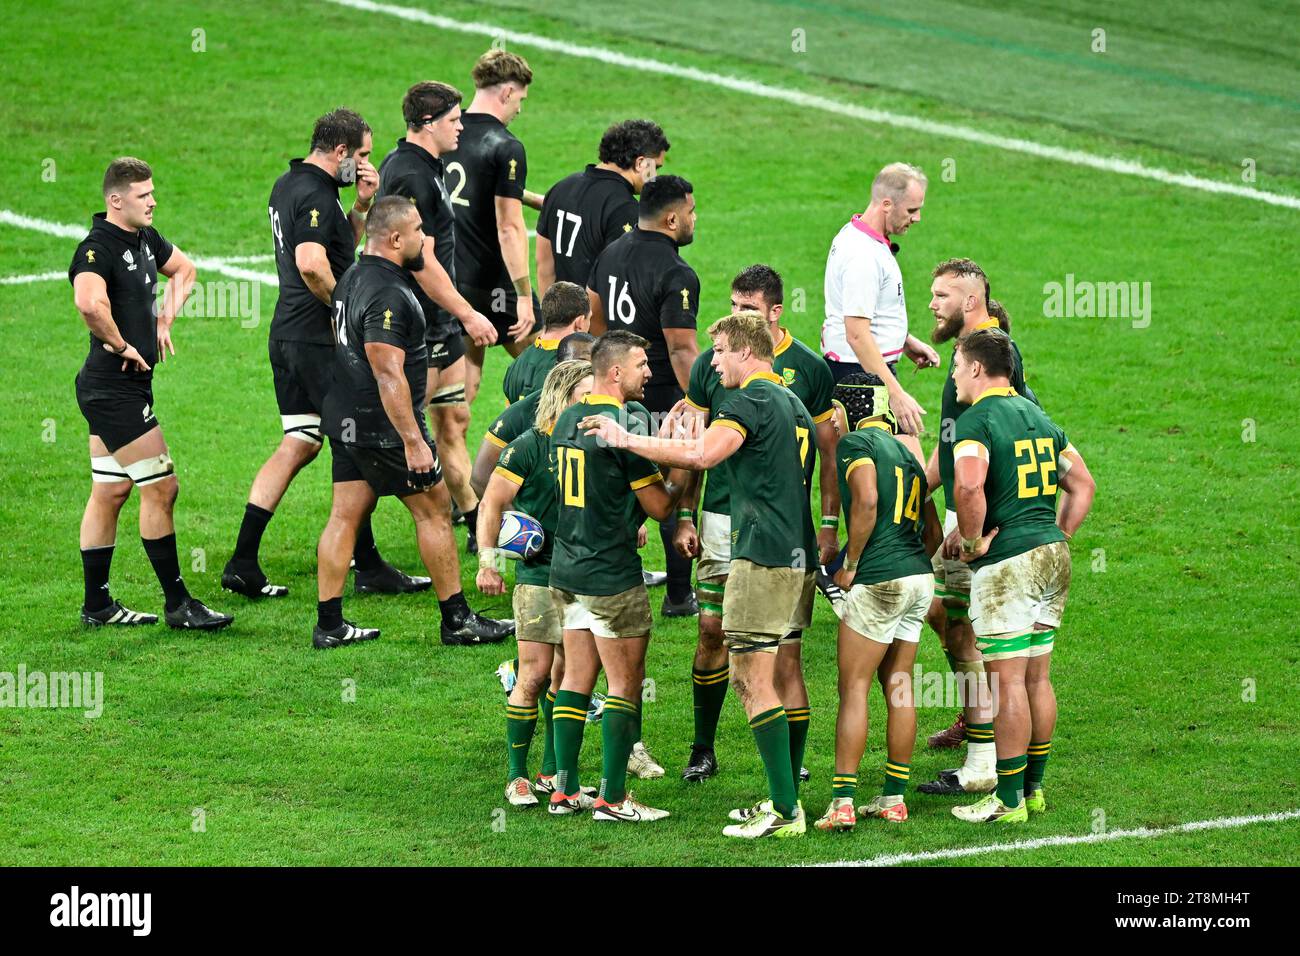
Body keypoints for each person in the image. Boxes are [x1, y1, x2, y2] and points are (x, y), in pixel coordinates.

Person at [583, 314, 818, 839]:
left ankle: (784, 811)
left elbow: (701, 455)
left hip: (763, 556)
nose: (711, 362)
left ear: (745, 353)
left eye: (719, 352)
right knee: (779, 672)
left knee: (752, 679)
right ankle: (786, 798)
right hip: (797, 557)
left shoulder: (749, 400)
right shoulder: (794, 404)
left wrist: (626, 439)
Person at [224, 109, 425, 599]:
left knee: (301, 440)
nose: (364, 165)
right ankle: (368, 566)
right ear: (339, 153)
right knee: (355, 446)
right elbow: (313, 265)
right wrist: (347, 310)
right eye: (361, 155)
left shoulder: (290, 185)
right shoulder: (315, 195)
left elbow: (333, 249)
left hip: (287, 335)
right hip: (315, 339)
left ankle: (243, 560)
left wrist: (359, 209)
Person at [312, 197, 513, 649]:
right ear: (396, 239)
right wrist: (413, 441)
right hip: (383, 425)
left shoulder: (351, 278)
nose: (426, 237)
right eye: (419, 230)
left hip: (344, 416)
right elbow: (387, 373)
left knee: (344, 514)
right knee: (435, 510)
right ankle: (457, 619)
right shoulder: (389, 293)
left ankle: (329, 625)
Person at [675, 266, 837, 784]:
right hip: (722, 517)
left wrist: (828, 522)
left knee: (783, 654)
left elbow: (828, 455)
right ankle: (703, 747)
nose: (736, 318)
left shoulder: (809, 370)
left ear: (773, 313)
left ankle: (788, 769)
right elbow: (694, 447)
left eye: (747, 310)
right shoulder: (710, 365)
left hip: (776, 527)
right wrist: (683, 513)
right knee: (709, 633)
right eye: (733, 306)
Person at [72, 157, 232, 631]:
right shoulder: (96, 249)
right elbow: (88, 302)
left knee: (111, 490)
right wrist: (122, 344)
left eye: (152, 192)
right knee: (162, 487)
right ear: (116, 200)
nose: (153, 201)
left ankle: (97, 606)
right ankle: (178, 603)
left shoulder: (145, 239)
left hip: (121, 388)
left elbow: (185, 269)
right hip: (112, 390)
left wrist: (164, 317)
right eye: (144, 195)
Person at [946, 329, 1095, 823]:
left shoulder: (976, 421)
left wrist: (969, 544)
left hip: (1009, 564)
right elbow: (1083, 485)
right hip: (1052, 556)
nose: (952, 377)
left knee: (1007, 682)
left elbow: (968, 485)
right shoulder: (1041, 417)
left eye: (955, 367)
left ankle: (1007, 802)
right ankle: (1032, 791)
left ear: (975, 369)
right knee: (1037, 677)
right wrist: (1057, 535)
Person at [547, 331, 689, 822]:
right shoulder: (621, 423)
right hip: (611, 573)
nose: (649, 371)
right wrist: (681, 461)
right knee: (625, 684)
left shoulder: (567, 417)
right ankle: (612, 798)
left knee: (575, 679)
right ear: (614, 373)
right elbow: (660, 505)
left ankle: (564, 791)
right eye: (642, 364)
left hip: (566, 569)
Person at [917, 260, 1042, 797]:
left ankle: (985, 759)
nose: (931, 304)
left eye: (940, 294)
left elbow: (1010, 437)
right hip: (966, 510)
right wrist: (917, 490)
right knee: (948, 617)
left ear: (970, 302)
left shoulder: (990, 361)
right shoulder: (968, 354)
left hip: (983, 519)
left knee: (984, 639)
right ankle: (982, 726)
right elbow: (953, 445)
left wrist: (978, 529)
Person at [376, 81, 499, 556]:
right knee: (397, 433)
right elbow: (419, 259)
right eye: (453, 120)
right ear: (427, 125)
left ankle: (474, 519)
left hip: (438, 322)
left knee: (453, 419)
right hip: (418, 321)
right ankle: (361, 540)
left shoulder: (426, 165)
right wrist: (468, 314)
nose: (462, 127)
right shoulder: (410, 174)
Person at [815, 373, 941, 830]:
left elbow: (866, 501)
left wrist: (850, 562)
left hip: (879, 579)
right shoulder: (909, 456)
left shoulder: (856, 445)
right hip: (919, 579)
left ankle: (843, 802)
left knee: (854, 689)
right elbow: (934, 534)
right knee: (900, 685)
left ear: (848, 409)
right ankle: (893, 798)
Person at [476, 360, 593, 807]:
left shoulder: (595, 444)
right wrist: (489, 562)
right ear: (563, 397)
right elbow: (492, 502)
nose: (592, 404)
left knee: (569, 677)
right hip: (539, 576)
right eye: (584, 395)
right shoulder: (528, 446)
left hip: (586, 576)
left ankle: (553, 773)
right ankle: (517, 776)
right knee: (534, 674)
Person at [587, 174, 701, 616]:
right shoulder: (676, 272)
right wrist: (699, 402)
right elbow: (681, 347)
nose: (693, 220)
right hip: (664, 396)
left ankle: (611, 573)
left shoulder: (610, 252)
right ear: (672, 218)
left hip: (618, 391)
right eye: (690, 212)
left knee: (620, 483)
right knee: (672, 486)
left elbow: (596, 320)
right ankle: (678, 594)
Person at [443, 49, 543, 404]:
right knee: (556, 370)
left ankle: (438, 458)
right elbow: (510, 229)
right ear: (506, 93)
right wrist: (526, 298)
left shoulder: (446, 132)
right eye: (520, 99)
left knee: (460, 394)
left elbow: (471, 183)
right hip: (491, 283)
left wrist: (529, 197)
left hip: (449, 281)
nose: (519, 108)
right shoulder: (506, 146)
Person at [820, 162, 939, 434]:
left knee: (901, 468)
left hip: (866, 369)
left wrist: (904, 342)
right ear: (887, 204)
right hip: (860, 376)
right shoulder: (863, 256)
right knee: (891, 470)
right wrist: (895, 394)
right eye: (912, 210)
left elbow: (863, 312)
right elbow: (857, 335)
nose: (917, 217)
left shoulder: (859, 235)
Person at [535, 119, 669, 295]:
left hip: (559, 316)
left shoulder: (561, 187)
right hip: (592, 319)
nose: (654, 177)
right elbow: (617, 283)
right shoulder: (624, 208)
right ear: (640, 163)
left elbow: (544, 264)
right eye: (655, 167)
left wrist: (550, 318)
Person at [501, 281, 590, 404]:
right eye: (589, 318)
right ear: (579, 322)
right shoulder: (578, 368)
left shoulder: (516, 366)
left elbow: (509, 419)